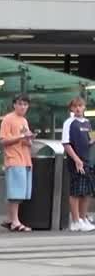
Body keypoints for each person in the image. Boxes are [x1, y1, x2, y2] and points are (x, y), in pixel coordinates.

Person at [0, 94, 36, 233]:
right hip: (14, 158)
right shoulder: (8, 119)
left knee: (20, 191)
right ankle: (15, 221)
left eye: (25, 104)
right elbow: (3, 140)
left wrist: (29, 138)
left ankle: (10, 219)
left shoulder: (24, 121)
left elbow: (27, 141)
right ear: (14, 104)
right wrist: (21, 136)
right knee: (15, 192)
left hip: (25, 158)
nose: (23, 107)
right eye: (20, 104)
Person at [62, 97, 92, 232]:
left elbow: (89, 140)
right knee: (76, 191)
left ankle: (83, 218)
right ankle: (75, 221)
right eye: (75, 106)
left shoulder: (87, 123)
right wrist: (76, 159)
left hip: (87, 161)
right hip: (75, 162)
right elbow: (66, 143)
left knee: (87, 192)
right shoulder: (69, 123)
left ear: (85, 107)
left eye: (81, 106)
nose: (78, 109)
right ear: (71, 109)